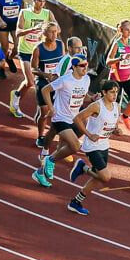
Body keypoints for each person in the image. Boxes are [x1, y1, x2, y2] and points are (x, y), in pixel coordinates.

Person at [33, 53, 92, 187]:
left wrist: (92, 98)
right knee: (76, 146)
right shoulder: (65, 80)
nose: (85, 68)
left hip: (74, 117)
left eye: (86, 65)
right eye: (82, 66)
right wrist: (51, 107)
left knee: (62, 148)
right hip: (60, 118)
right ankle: (50, 160)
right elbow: (45, 90)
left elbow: (83, 95)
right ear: (74, 67)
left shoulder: (86, 79)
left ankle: (40, 172)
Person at [65, 84, 125, 216]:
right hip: (92, 146)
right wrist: (88, 134)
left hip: (104, 145)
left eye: (116, 92)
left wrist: (116, 130)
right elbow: (77, 119)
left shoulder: (117, 107)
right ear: (104, 92)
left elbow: (113, 125)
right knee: (106, 176)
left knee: (99, 179)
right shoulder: (96, 106)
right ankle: (83, 168)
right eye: (111, 92)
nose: (115, 95)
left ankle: (75, 202)